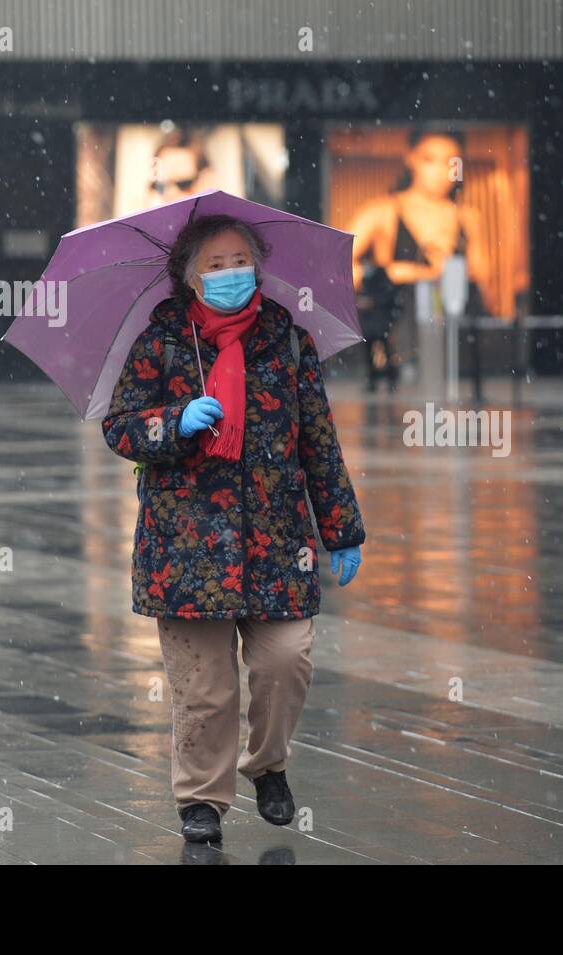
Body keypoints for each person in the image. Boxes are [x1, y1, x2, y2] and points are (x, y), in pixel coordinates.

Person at [101, 213, 367, 845]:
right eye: (216, 265)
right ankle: (202, 800)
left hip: (276, 541)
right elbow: (120, 427)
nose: (230, 273)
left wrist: (342, 529)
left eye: (240, 260)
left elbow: (319, 441)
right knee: (205, 691)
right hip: (186, 547)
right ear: (190, 277)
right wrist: (173, 422)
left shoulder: (287, 340)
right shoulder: (161, 343)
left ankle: (267, 765)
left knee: (286, 661)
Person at [348, 128, 492, 380]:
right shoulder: (383, 211)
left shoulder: (466, 217)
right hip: (399, 319)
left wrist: (447, 268)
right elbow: (338, 259)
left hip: (450, 326)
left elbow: (483, 272)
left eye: (450, 162)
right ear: (411, 158)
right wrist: (388, 272)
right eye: (429, 159)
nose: (439, 171)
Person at [356, 255, 399, 392]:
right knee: (369, 353)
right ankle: (373, 381)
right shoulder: (365, 279)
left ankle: (391, 380)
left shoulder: (382, 277)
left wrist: (372, 302)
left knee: (385, 351)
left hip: (381, 323)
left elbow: (387, 297)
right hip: (369, 324)